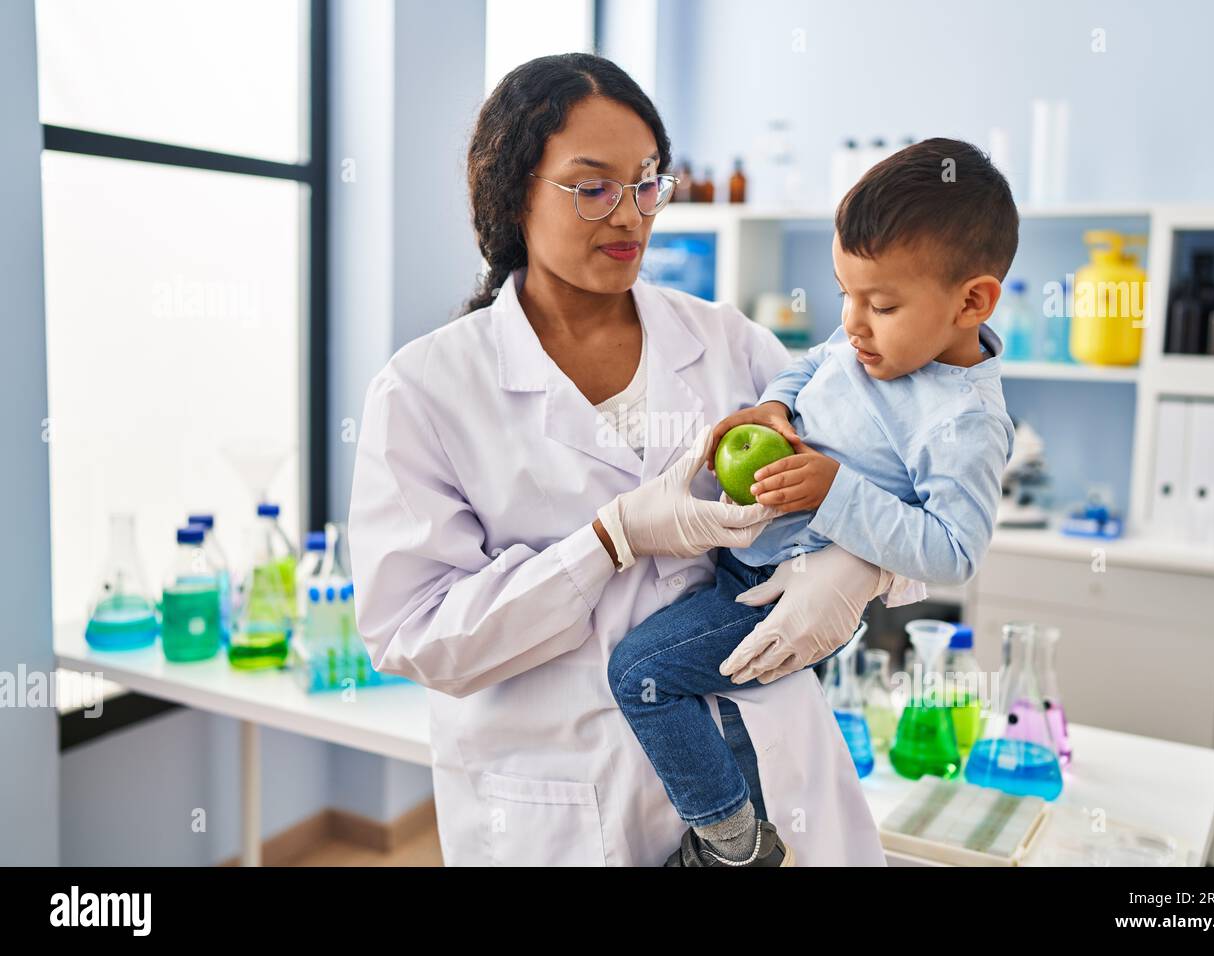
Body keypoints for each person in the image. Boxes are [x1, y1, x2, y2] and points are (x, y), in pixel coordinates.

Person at [348, 53, 891, 866]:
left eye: (647, 183)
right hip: (571, 803)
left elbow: (894, 475)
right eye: (592, 186)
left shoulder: (727, 341)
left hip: (776, 768)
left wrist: (858, 569)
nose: (631, 215)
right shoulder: (427, 388)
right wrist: (608, 542)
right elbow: (418, 638)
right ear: (512, 192)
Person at [607, 138, 1018, 866]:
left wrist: (837, 493)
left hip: (783, 593)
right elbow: (811, 367)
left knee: (641, 674)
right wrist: (771, 409)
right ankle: (747, 836)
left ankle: (729, 844)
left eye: (881, 303)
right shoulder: (869, 342)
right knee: (740, 725)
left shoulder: (965, 422)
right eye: (844, 295)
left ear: (972, 301)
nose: (853, 323)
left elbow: (955, 550)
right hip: (745, 560)